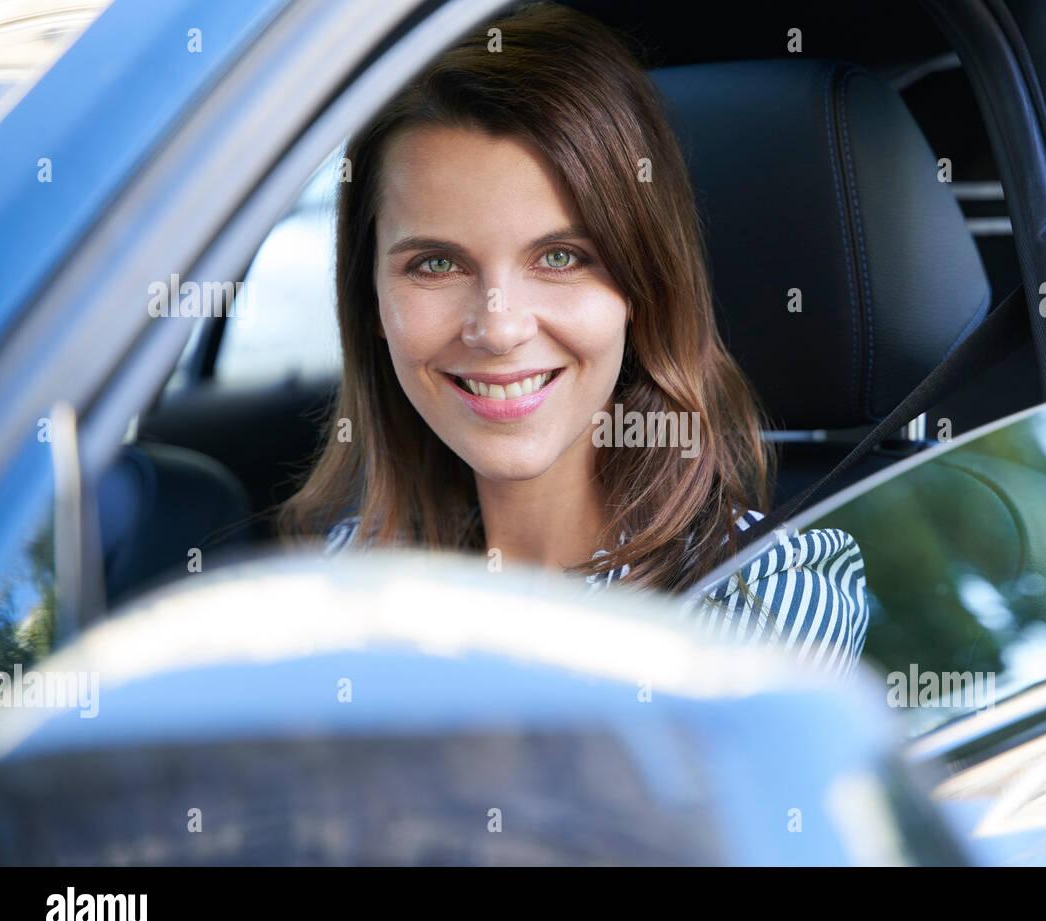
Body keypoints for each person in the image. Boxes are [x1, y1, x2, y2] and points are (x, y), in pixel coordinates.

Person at [279, 2, 867, 676]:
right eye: (436, 264)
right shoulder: (346, 578)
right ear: (371, 300)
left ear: (641, 287)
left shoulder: (756, 605)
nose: (498, 328)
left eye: (560, 257)